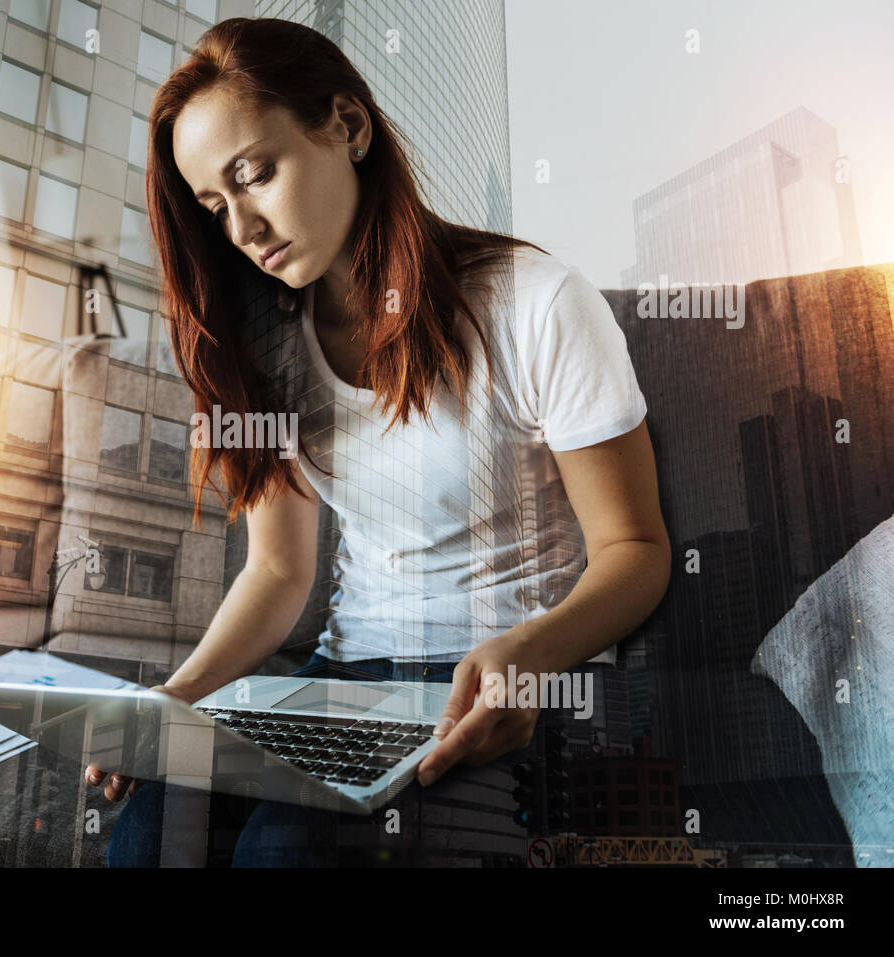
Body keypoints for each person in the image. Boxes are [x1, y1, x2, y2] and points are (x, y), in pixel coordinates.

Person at [89, 17, 671, 866]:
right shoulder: (268, 345)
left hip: (481, 677)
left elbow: (636, 547)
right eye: (217, 206)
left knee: (283, 854)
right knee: (147, 839)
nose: (244, 228)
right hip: (341, 675)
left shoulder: (537, 302)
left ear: (348, 126)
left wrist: (526, 655)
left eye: (254, 174)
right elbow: (279, 572)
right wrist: (174, 701)